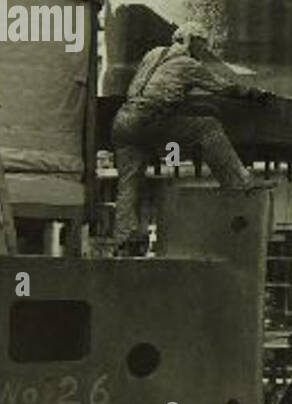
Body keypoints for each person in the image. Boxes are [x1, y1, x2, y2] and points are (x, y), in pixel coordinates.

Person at [111, 28, 272, 256]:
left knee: (129, 183)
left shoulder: (153, 54)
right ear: (190, 41)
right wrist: (254, 93)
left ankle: (124, 240)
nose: (204, 50)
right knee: (208, 126)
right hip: (151, 119)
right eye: (202, 45)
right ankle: (239, 182)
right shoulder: (188, 65)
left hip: (124, 122)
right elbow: (222, 86)